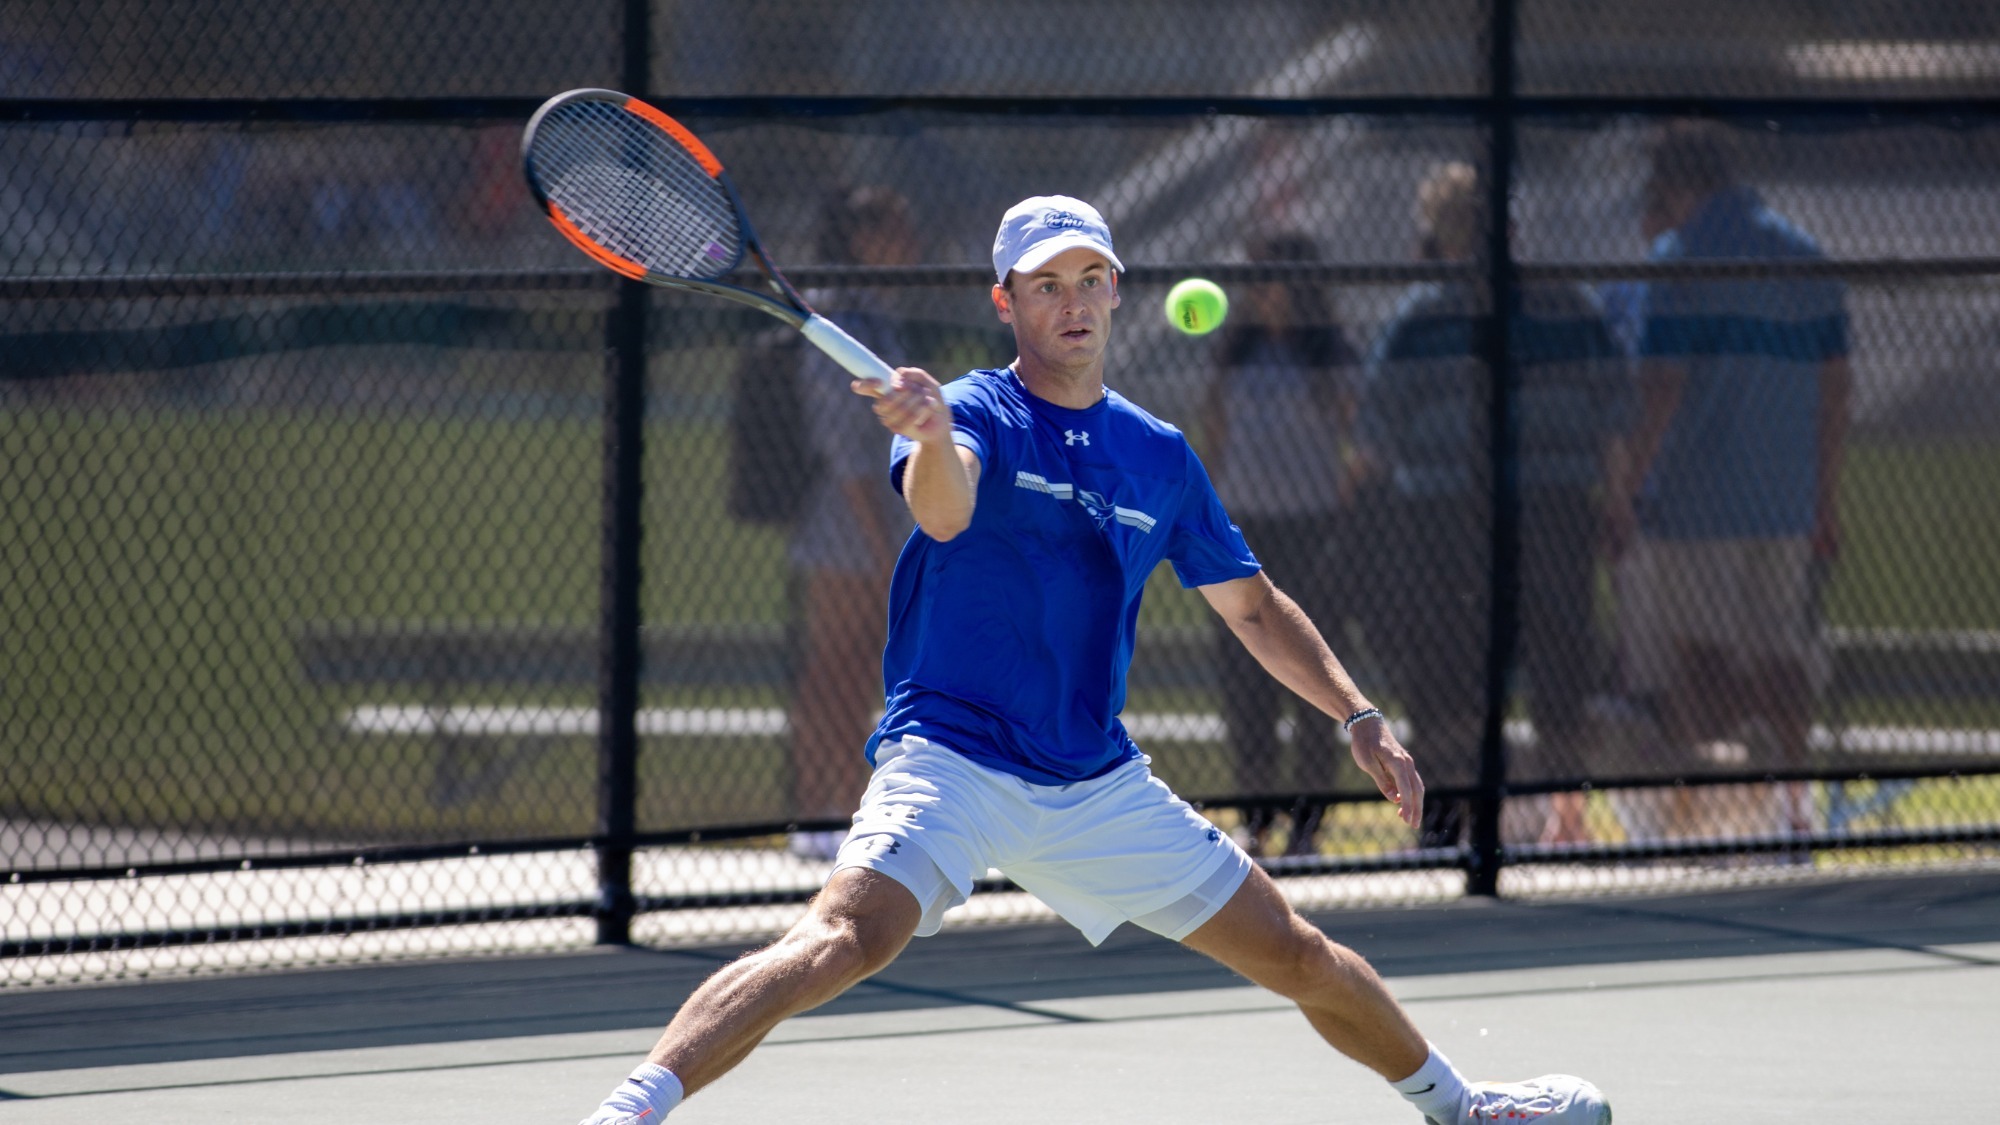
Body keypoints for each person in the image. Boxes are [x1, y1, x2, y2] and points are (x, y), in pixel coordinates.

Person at [576, 195, 1610, 1125]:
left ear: (1114, 291)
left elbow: (1249, 606)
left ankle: (1462, 1110)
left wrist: (1356, 716)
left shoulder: (1156, 453)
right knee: (845, 936)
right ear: (1006, 301)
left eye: (1088, 280)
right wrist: (931, 436)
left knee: (1295, 952)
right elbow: (941, 511)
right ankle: (626, 1113)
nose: (1070, 302)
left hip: (1093, 779)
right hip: (954, 755)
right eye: (1045, 286)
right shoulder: (977, 411)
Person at [1358, 162, 1627, 847]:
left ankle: (1557, 821)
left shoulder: (1564, 306)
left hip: (1543, 505)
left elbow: (1616, 414)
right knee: (1451, 677)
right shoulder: (1420, 318)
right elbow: (1374, 438)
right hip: (1448, 517)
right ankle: (1450, 823)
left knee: (1551, 671)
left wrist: (1616, 502)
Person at [1605, 121, 1852, 842]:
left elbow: (1662, 388)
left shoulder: (1679, 257)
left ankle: (1715, 816)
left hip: (1696, 499)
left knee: (1701, 661)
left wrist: (1625, 493)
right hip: (1785, 499)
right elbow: (1838, 388)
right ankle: (1793, 806)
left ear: (1677, 185)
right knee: (1780, 654)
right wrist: (1824, 500)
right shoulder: (1803, 254)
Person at [1198, 230, 1362, 857]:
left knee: (1313, 671)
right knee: (1244, 683)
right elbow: (1214, 436)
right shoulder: (1233, 353)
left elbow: (1356, 432)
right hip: (1244, 533)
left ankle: (1310, 825)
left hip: (1314, 529)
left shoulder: (1330, 352)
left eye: (1278, 280)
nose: (1265, 294)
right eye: (1257, 281)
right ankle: (1257, 819)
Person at [785, 187, 919, 859]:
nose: (905, 237)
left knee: (860, 664)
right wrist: (875, 541)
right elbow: (843, 445)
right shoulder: (840, 317)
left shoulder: (882, 314)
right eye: (889, 227)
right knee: (831, 665)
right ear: (858, 237)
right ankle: (817, 812)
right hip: (846, 520)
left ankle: (842, 802)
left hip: (880, 520)